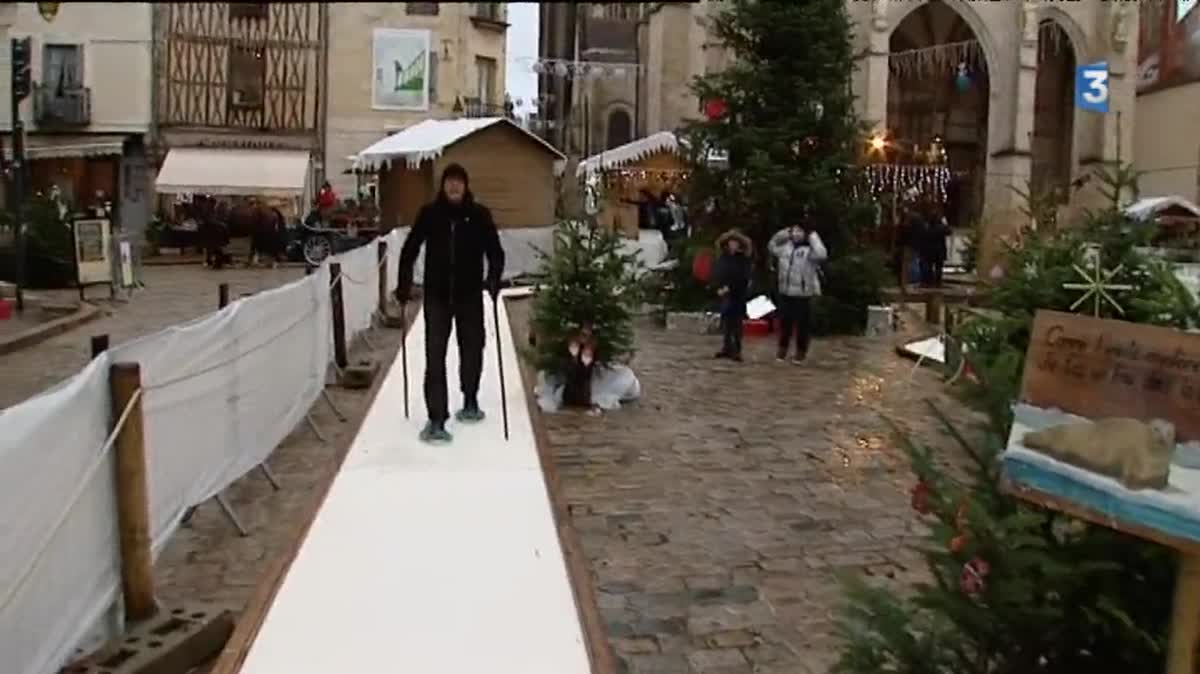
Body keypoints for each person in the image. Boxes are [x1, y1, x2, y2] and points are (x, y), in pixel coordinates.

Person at [395, 163, 505, 444]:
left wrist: (493, 279)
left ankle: (469, 397)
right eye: (449, 182)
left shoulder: (479, 215)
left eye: (459, 182)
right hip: (437, 296)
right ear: (443, 186)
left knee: (473, 348)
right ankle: (436, 418)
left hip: (469, 296)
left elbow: (495, 251)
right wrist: (404, 284)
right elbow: (410, 249)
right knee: (435, 355)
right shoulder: (430, 214)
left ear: (466, 185)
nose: (454, 186)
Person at [768, 222, 828, 363]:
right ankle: (782, 350)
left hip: (803, 293)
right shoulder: (785, 248)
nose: (796, 234)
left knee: (802, 325)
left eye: (800, 231)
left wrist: (813, 236)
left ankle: (800, 353)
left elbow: (822, 254)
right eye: (794, 231)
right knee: (785, 323)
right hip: (785, 291)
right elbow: (771, 246)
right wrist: (785, 233)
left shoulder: (810, 251)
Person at [711, 229, 753, 361]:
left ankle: (737, 350)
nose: (733, 245)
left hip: (737, 294)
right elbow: (717, 273)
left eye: (735, 242)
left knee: (737, 323)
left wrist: (729, 288)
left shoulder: (743, 260)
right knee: (727, 322)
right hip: (725, 294)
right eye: (730, 242)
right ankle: (726, 348)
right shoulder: (722, 258)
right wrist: (718, 287)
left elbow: (743, 278)